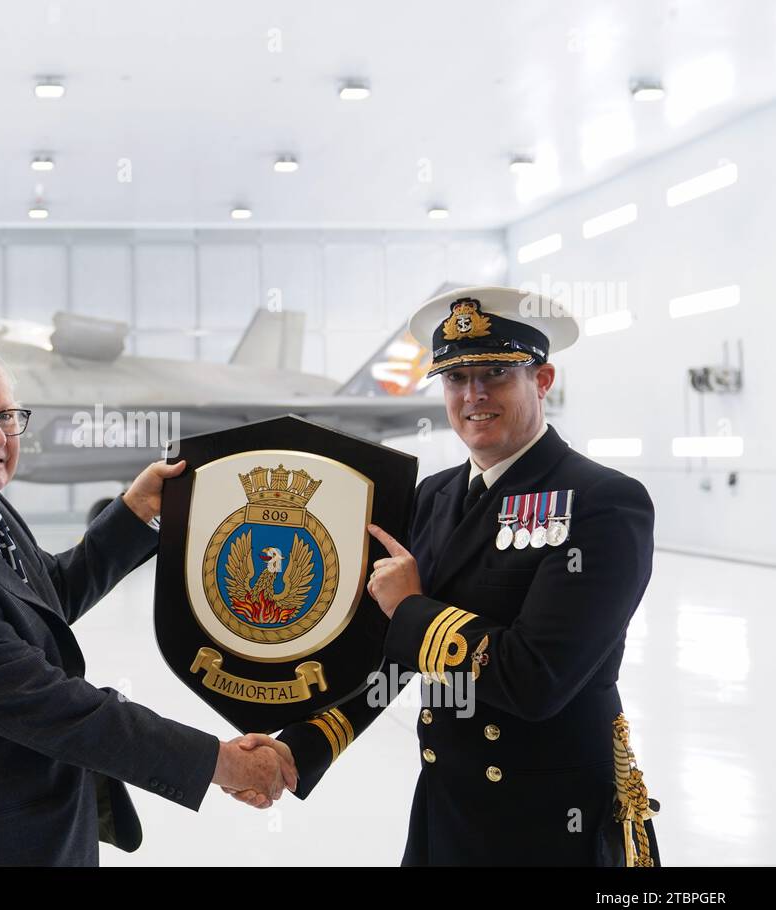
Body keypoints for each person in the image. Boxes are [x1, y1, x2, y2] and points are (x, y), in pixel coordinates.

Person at [232, 286, 659, 866]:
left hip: (547, 818)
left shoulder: (602, 502)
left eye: (496, 373)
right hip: (446, 801)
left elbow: (536, 679)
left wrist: (410, 608)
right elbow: (392, 661)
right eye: (456, 379)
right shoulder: (435, 497)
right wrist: (297, 752)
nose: (474, 394)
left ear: (543, 379)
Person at [0, 342, 296, 866]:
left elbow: (43, 597)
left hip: (44, 838)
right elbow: (61, 711)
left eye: (7, 417)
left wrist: (136, 512)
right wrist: (220, 763)